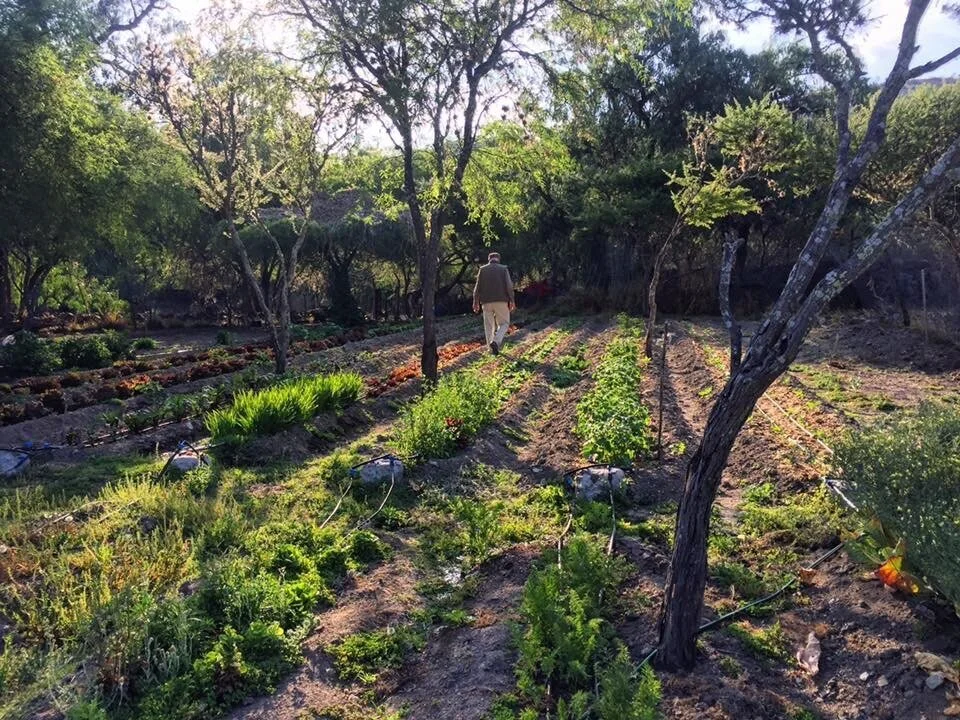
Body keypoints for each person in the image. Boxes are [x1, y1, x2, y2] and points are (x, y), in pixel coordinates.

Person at [472, 252, 515, 355]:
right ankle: (495, 341)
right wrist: (512, 300)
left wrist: (475, 301)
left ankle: (490, 350)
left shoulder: (482, 270)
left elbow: (477, 288)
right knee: (504, 323)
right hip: (501, 301)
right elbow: (509, 286)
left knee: (489, 326)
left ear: (489, 259)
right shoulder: (503, 269)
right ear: (498, 259)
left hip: (486, 302)